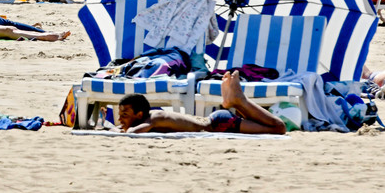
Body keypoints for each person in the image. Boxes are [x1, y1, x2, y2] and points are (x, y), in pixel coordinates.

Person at [116, 72, 287, 135]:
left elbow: (133, 132)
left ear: (139, 114)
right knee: (266, 125)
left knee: (278, 128)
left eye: (124, 115)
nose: (120, 119)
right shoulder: (151, 118)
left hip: (219, 124)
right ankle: (237, 102)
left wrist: (123, 130)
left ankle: (240, 101)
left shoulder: (154, 117)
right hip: (216, 120)